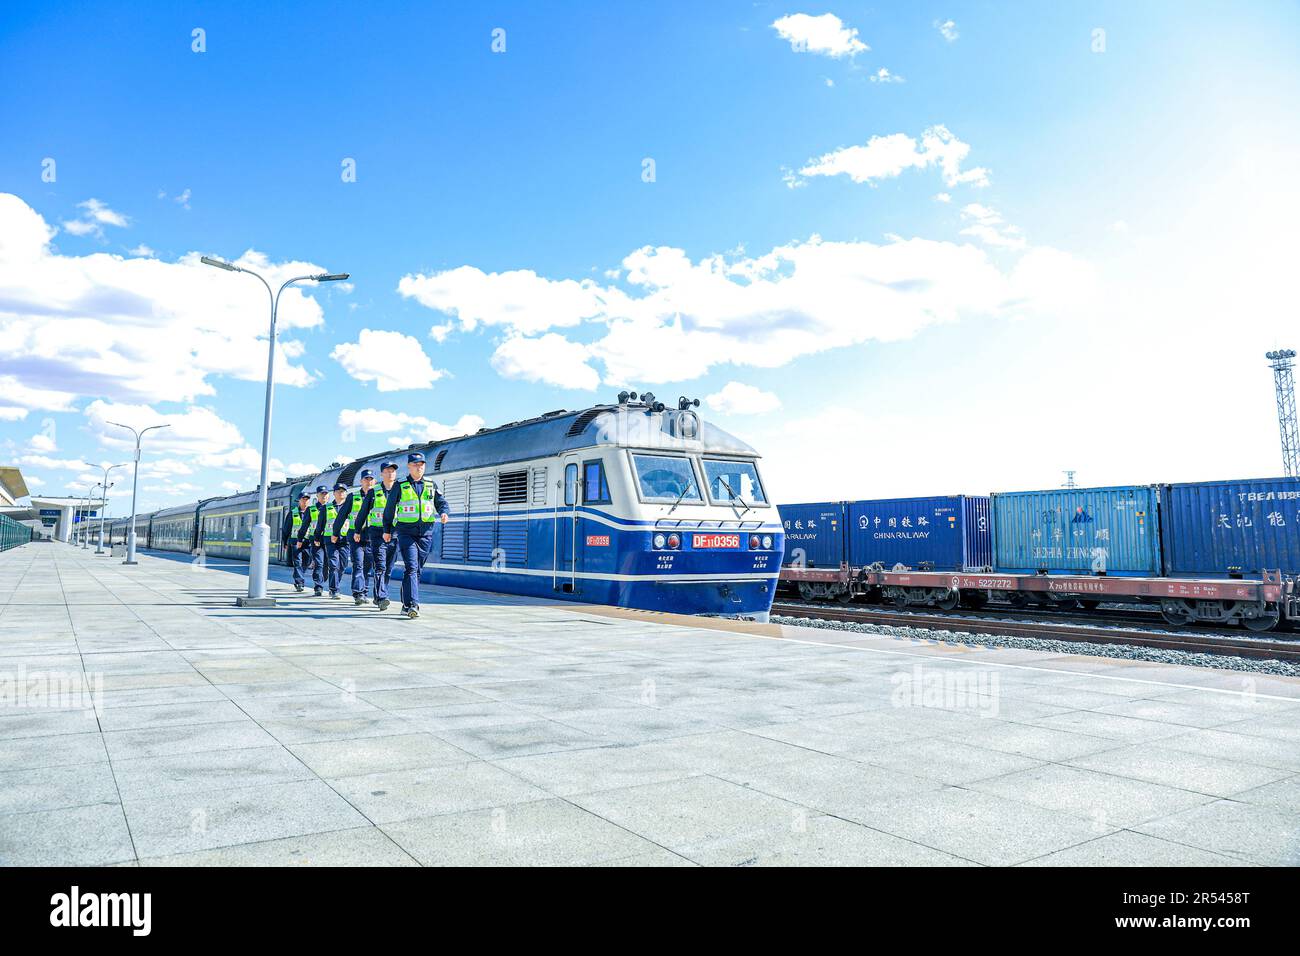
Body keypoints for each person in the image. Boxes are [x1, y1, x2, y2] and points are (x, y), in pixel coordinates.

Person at [382, 452, 449, 619]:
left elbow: (441, 502)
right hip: (406, 533)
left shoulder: (431, 484)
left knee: (416, 570)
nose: (419, 467)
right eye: (415, 464)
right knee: (411, 567)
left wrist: (444, 512)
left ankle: (405, 603)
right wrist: (387, 530)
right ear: (409, 467)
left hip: (426, 533)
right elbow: (389, 509)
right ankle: (413, 604)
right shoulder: (401, 485)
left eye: (421, 464)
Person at [355, 460, 399, 611]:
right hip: (377, 534)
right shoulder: (374, 492)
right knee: (380, 566)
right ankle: (382, 597)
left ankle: (379, 594)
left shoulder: (401, 490)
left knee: (389, 568)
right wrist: (357, 531)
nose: (390, 473)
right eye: (387, 471)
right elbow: (363, 513)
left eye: (392, 471)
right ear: (381, 474)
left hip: (395, 534)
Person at [332, 472, 373, 606]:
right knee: (358, 564)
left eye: (371, 479)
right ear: (361, 481)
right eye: (366, 479)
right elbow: (342, 515)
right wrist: (335, 532)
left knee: (367, 566)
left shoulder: (378, 496)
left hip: (372, 537)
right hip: (355, 537)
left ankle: (365, 592)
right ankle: (358, 593)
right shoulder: (353, 497)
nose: (368, 482)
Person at [298, 485, 331, 596]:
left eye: (326, 494)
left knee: (328, 564)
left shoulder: (332, 508)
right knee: (319, 563)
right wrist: (300, 538)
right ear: (317, 496)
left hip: (330, 539)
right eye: (321, 494)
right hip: (315, 540)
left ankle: (325, 581)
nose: (324, 496)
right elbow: (304, 525)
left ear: (329, 495)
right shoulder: (311, 509)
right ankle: (318, 586)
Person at [282, 491, 312, 592]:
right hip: (295, 541)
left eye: (307, 499)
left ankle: (299, 575)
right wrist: (285, 542)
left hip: (308, 541)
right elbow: (286, 529)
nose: (305, 501)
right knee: (297, 562)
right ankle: (299, 582)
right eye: (303, 499)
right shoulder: (293, 513)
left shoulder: (313, 512)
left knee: (307, 561)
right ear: (299, 501)